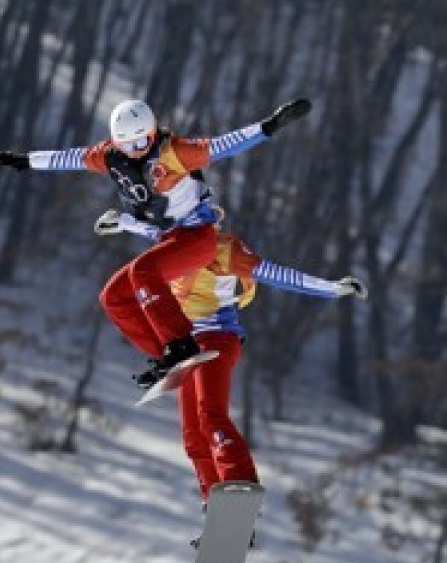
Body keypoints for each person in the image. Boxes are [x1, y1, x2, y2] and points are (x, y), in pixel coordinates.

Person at [0, 98, 311, 378]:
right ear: (116, 141)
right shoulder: (110, 157)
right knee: (114, 296)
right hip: (168, 240)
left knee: (143, 274)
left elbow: (223, 145)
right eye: (128, 144)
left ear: (153, 134)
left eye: (142, 142)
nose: (136, 151)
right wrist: (22, 161)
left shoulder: (174, 152)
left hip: (197, 238)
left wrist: (268, 127)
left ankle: (182, 343)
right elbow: (69, 157)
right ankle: (168, 355)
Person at [94, 208, 367, 501]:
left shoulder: (224, 250)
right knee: (193, 437)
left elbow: (277, 274)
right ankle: (217, 513)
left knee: (210, 417)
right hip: (187, 345)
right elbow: (147, 227)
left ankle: (240, 486)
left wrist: (330, 289)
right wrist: (121, 220)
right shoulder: (172, 239)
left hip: (217, 339)